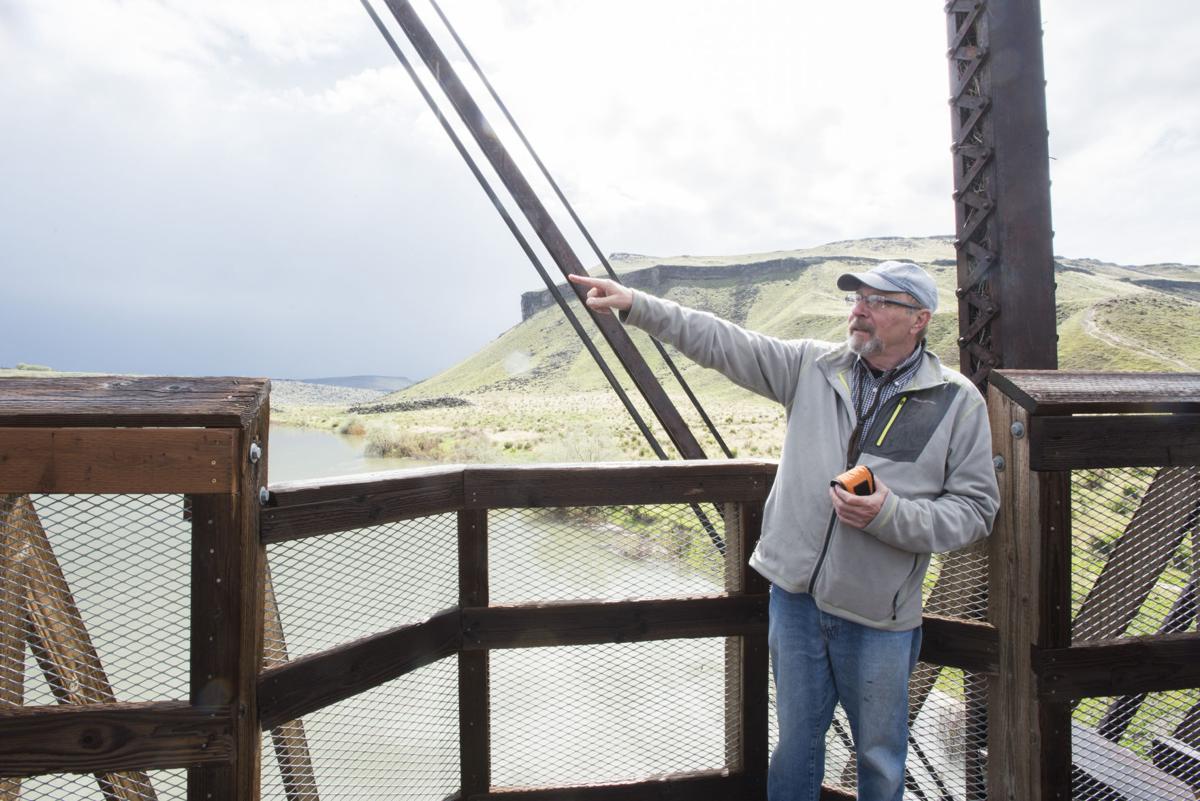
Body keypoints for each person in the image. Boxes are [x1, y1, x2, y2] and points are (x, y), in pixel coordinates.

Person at [568, 262, 999, 801]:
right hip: (796, 602)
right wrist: (637, 304)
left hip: (878, 617)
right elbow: (724, 341)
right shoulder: (812, 367)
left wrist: (889, 515)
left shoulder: (956, 401)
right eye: (857, 299)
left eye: (878, 301)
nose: (859, 310)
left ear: (919, 320)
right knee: (796, 747)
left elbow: (976, 511)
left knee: (880, 758)